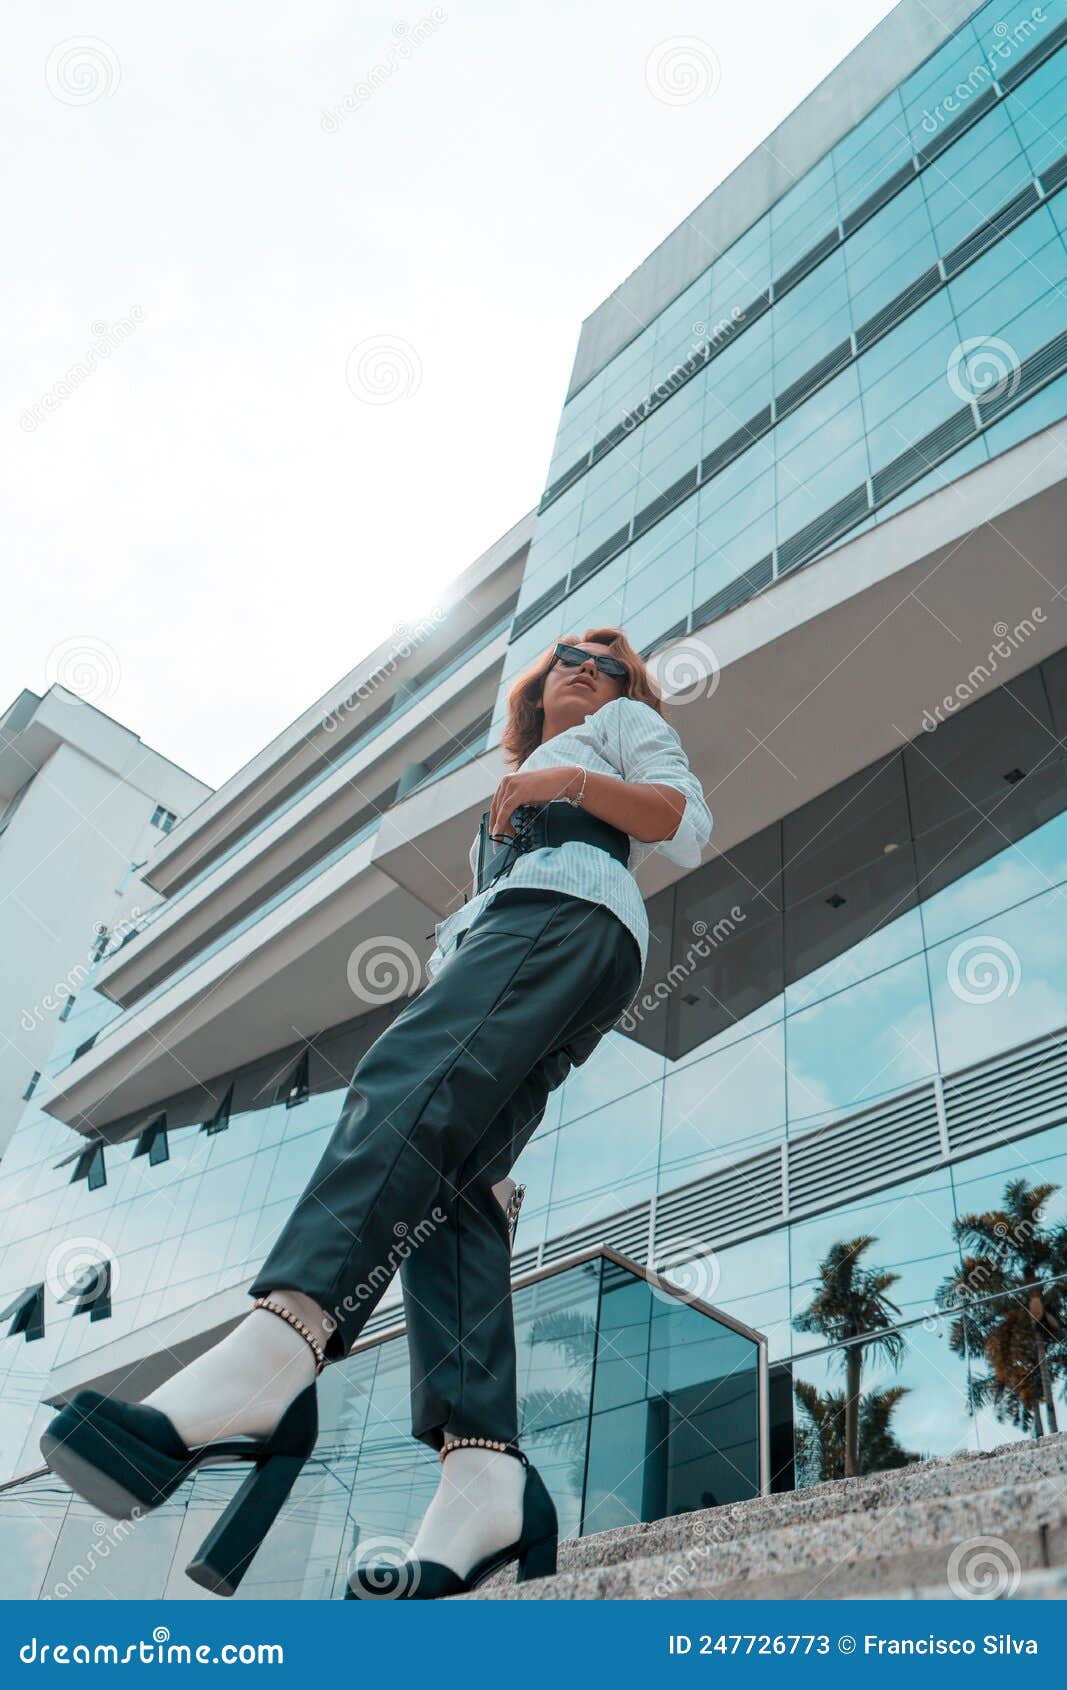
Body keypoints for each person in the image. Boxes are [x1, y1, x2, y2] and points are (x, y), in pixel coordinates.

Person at [40, 626, 713, 1599]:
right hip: (547, 935)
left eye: (609, 663)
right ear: (536, 686)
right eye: (568, 652)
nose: (584, 664)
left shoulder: (615, 732)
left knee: (401, 1085)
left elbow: (681, 821)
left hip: (568, 914)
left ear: (625, 689)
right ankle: (485, 1478)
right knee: (454, 1194)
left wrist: (565, 783)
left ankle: (277, 1352)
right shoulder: (512, 786)